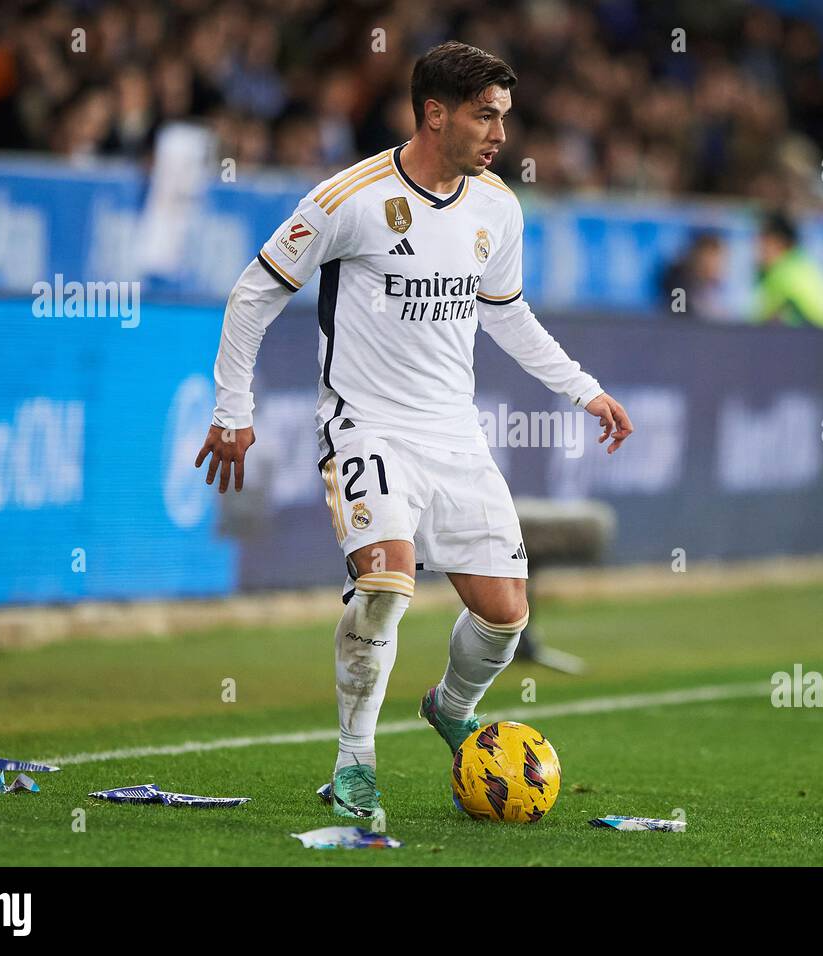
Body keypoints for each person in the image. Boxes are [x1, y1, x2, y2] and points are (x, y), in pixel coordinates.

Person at [195, 41, 633, 828]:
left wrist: (584, 388)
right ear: (434, 114)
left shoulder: (496, 205)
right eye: (485, 115)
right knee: (388, 582)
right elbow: (254, 291)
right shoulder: (349, 197)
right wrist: (233, 408)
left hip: (455, 436)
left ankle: (449, 705)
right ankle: (354, 763)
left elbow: (505, 311)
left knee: (505, 616)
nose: (500, 132)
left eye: (504, 115)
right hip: (366, 427)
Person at [752, 210, 823, 328]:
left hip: (815, 336)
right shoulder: (803, 264)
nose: (758, 250)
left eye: (763, 243)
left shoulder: (783, 273)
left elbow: (756, 319)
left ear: (780, 243)